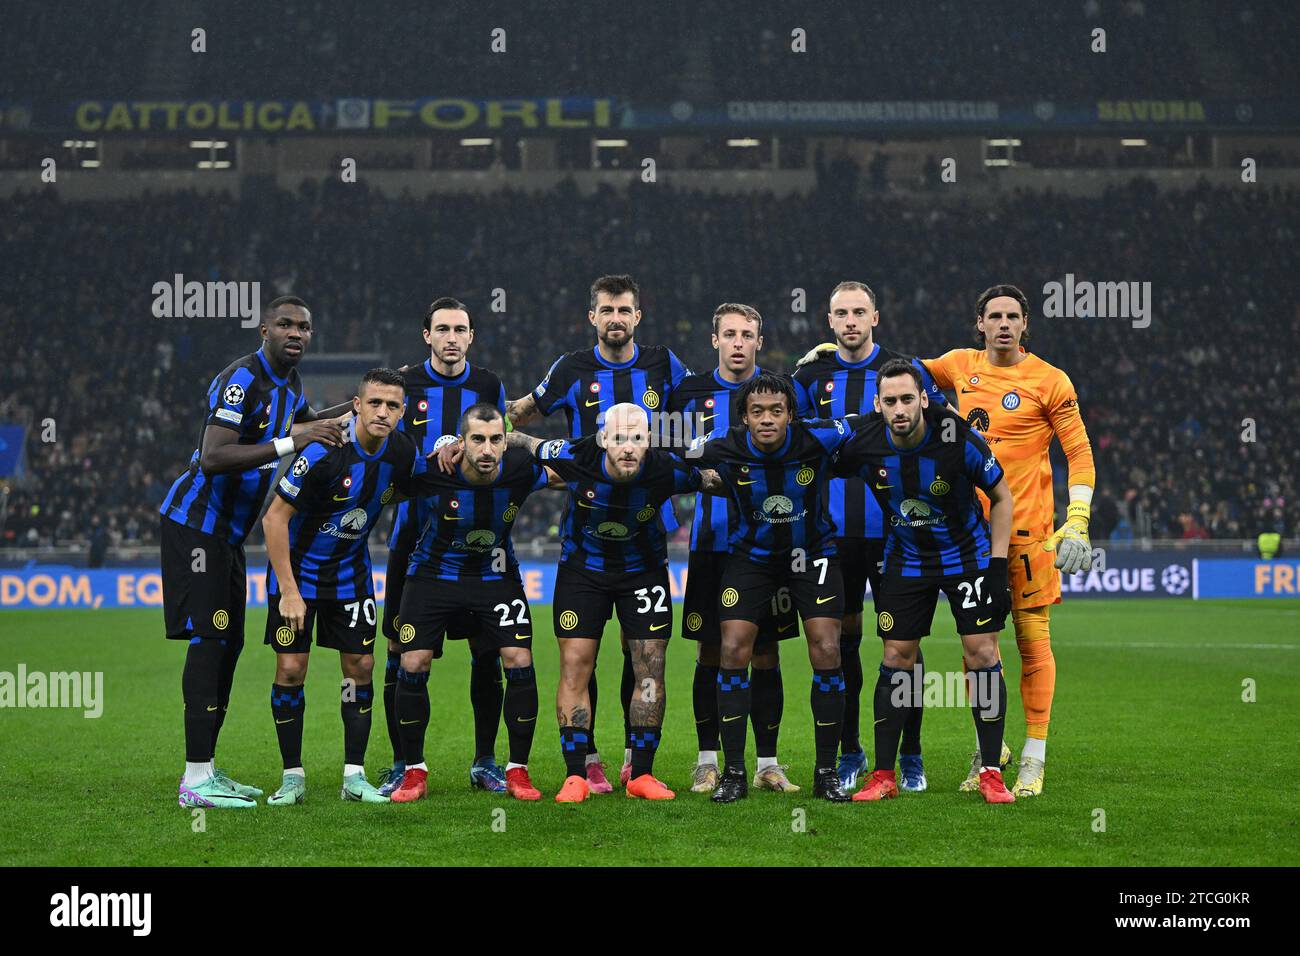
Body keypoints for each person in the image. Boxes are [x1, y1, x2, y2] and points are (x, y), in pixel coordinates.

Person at [161, 296, 349, 809]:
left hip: (227, 535)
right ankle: (194, 782)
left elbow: (313, 423)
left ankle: (207, 770)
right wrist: (293, 440)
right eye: (286, 324)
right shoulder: (242, 379)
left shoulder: (289, 384)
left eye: (305, 327)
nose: (296, 332)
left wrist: (362, 403)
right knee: (209, 641)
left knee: (230, 645)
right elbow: (215, 455)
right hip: (195, 527)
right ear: (264, 328)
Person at [504, 274, 691, 791]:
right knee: (578, 662)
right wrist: (474, 425)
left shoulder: (664, 364)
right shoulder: (571, 369)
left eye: (624, 309)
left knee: (646, 659)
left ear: (638, 316)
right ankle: (581, 767)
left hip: (647, 541)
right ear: (593, 317)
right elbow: (520, 413)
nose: (616, 318)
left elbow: (708, 405)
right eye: (606, 309)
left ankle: (638, 765)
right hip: (584, 540)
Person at [920, 285, 1096, 796]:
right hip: (968, 536)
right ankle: (988, 747)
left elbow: (1079, 453)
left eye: (1011, 316)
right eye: (993, 316)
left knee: (1033, 643)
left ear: (1025, 324)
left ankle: (1034, 757)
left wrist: (1078, 517)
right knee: (978, 647)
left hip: (1030, 536)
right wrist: (843, 354)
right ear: (979, 323)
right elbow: (902, 375)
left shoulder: (1049, 381)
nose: (1002, 324)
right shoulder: (958, 365)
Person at [829, 361, 1016, 804]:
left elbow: (1002, 495)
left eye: (906, 399)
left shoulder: (957, 438)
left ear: (923, 400)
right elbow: (816, 453)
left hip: (966, 558)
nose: (899, 409)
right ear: (878, 405)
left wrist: (998, 566)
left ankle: (991, 772)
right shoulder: (865, 442)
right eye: (889, 401)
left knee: (982, 652)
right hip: (906, 560)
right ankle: (883, 775)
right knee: (896, 657)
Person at [507, 403, 713, 803]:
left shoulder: (667, 469)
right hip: (583, 572)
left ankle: (642, 774)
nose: (629, 447)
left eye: (637, 438)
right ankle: (575, 775)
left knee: (649, 667)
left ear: (649, 440)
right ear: (603, 440)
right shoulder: (574, 455)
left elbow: (713, 477)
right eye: (619, 438)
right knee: (575, 665)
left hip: (645, 573)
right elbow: (525, 443)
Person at [792, 281, 947, 793]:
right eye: (842, 313)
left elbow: (942, 426)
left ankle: (911, 753)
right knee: (843, 647)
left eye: (860, 311)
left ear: (875, 317)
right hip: (834, 539)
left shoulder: (904, 372)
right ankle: (852, 748)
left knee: (902, 649)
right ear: (829, 320)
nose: (851, 321)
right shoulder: (811, 374)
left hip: (895, 537)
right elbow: (785, 428)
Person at [693, 373, 857, 803]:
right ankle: (733, 774)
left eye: (777, 411)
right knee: (732, 649)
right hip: (752, 558)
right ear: (744, 417)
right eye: (757, 412)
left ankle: (826, 772)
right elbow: (673, 457)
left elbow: (868, 423)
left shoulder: (816, 438)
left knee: (826, 648)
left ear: (791, 414)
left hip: (813, 555)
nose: (767, 419)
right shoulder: (722, 444)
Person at [261, 369, 420, 805]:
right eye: (375, 403)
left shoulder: (403, 452)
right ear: (356, 405)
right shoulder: (322, 453)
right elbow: (274, 518)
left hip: (351, 577)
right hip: (298, 578)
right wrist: (290, 591)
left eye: (392, 406)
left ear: (402, 413)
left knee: (360, 668)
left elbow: (413, 488)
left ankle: (354, 776)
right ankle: (292, 777)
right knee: (291, 670)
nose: (383, 412)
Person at [389, 404, 554, 803]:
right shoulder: (434, 472)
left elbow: (572, 470)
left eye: (496, 439)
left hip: (495, 577)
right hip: (432, 577)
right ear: (462, 443)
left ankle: (517, 770)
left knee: (518, 658)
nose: (487, 449)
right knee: (412, 662)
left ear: (505, 441)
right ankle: (413, 772)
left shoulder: (519, 470)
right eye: (478, 439)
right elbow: (382, 481)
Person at [378, 297, 510, 797]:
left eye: (460, 329)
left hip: (477, 540)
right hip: (413, 539)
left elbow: (501, 438)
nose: (451, 337)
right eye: (442, 329)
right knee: (402, 652)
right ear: (426, 335)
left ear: (471, 336)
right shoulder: (403, 386)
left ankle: (485, 761)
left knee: (487, 650)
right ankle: (402, 763)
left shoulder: (489, 385)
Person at [667, 303, 800, 795]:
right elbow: (671, 457)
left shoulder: (778, 392)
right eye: (730, 334)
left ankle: (767, 762)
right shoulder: (688, 394)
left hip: (769, 546)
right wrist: (703, 477)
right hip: (711, 544)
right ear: (715, 340)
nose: (738, 342)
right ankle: (707, 761)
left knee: (765, 653)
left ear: (759, 342)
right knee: (710, 652)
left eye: (747, 334)